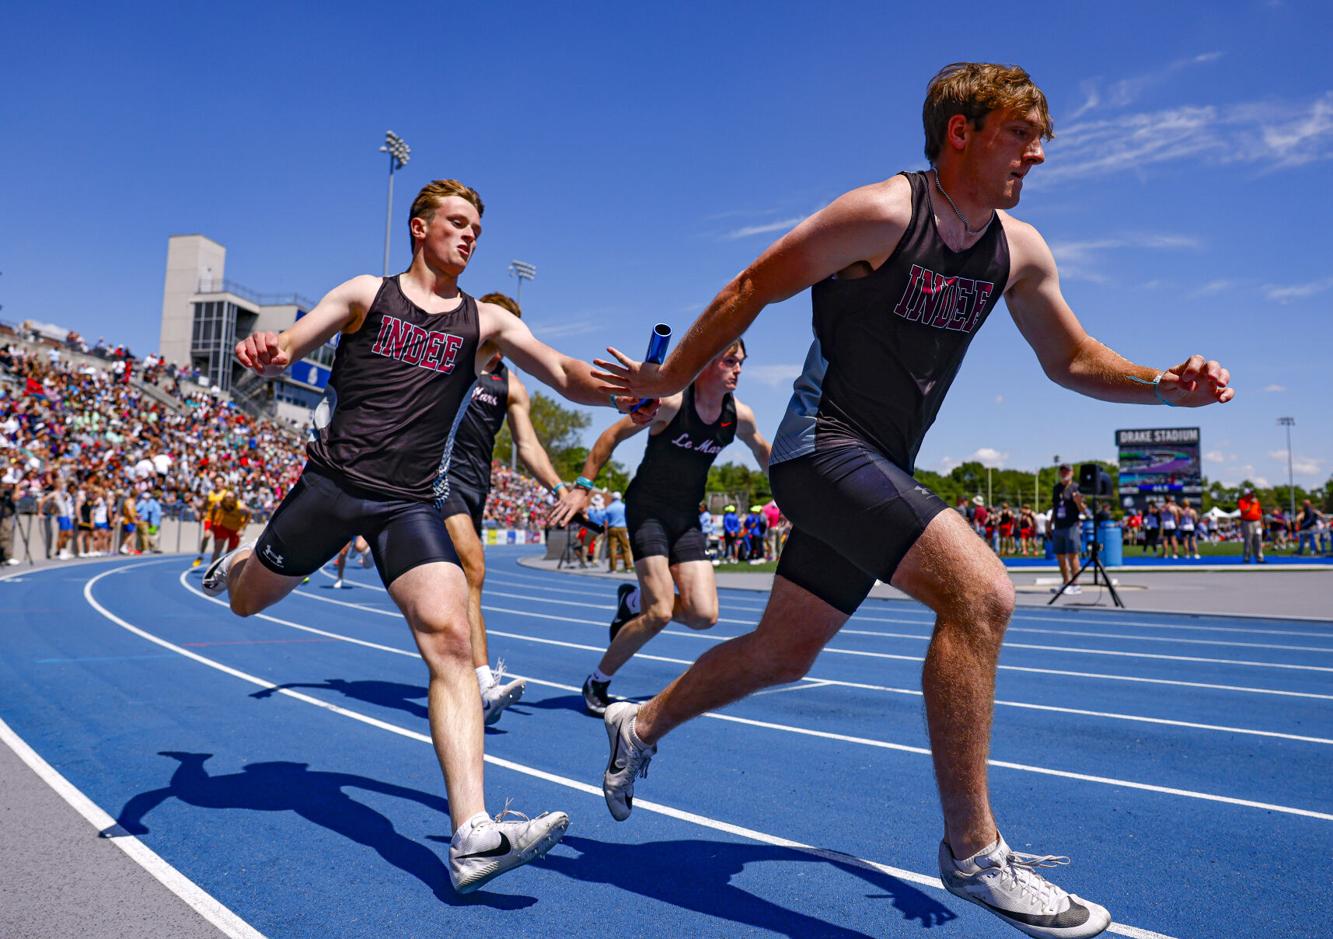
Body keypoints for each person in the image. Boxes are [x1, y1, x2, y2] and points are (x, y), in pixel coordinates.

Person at [592, 62, 1233, 938]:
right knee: (982, 593)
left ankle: (639, 721)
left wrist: (1162, 386)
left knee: (783, 652)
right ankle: (973, 852)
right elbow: (750, 288)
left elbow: (1069, 357)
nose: (1037, 154)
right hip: (821, 448)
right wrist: (668, 374)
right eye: (1019, 133)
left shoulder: (1019, 248)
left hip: (880, 461)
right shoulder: (884, 213)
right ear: (960, 131)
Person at [201, 178, 643, 893]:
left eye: (477, 228)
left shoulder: (483, 324)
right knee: (249, 602)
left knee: (453, 642)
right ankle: (242, 563)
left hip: (406, 504)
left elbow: (564, 371)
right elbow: (285, 344)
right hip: (331, 489)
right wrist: (269, 350)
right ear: (418, 227)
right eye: (457, 223)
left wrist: (624, 391)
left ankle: (471, 834)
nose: (469, 237)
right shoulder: (365, 295)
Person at [555, 340, 770, 716]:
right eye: (731, 361)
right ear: (706, 365)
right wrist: (584, 487)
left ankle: (630, 601)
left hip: (686, 518)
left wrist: (791, 492)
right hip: (648, 510)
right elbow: (611, 436)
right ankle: (598, 681)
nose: (739, 370)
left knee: (704, 616)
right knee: (660, 613)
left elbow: (761, 451)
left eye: (742, 363)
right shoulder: (671, 404)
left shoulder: (740, 416)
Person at [437, 290, 577, 726]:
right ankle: (482, 686)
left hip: (477, 486)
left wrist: (559, 487)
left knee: (456, 587)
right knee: (475, 569)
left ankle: (463, 675)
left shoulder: (511, 384)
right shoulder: (451, 359)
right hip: (438, 477)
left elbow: (528, 445)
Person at [1050, 465, 1087, 595]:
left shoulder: (1076, 488)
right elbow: (1055, 507)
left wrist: (1078, 502)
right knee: (1060, 555)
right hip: (1058, 525)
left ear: (1072, 473)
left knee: (1072, 555)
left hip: (1071, 525)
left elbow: (1084, 511)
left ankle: (1076, 584)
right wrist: (1050, 523)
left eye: (1067, 471)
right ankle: (1066, 582)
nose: (1065, 473)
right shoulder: (1056, 488)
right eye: (1063, 471)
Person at [603, 490, 631, 573]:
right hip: (623, 528)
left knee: (612, 549)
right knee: (625, 548)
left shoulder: (609, 507)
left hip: (612, 528)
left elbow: (605, 520)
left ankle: (613, 568)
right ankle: (628, 567)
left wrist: (605, 530)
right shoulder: (624, 506)